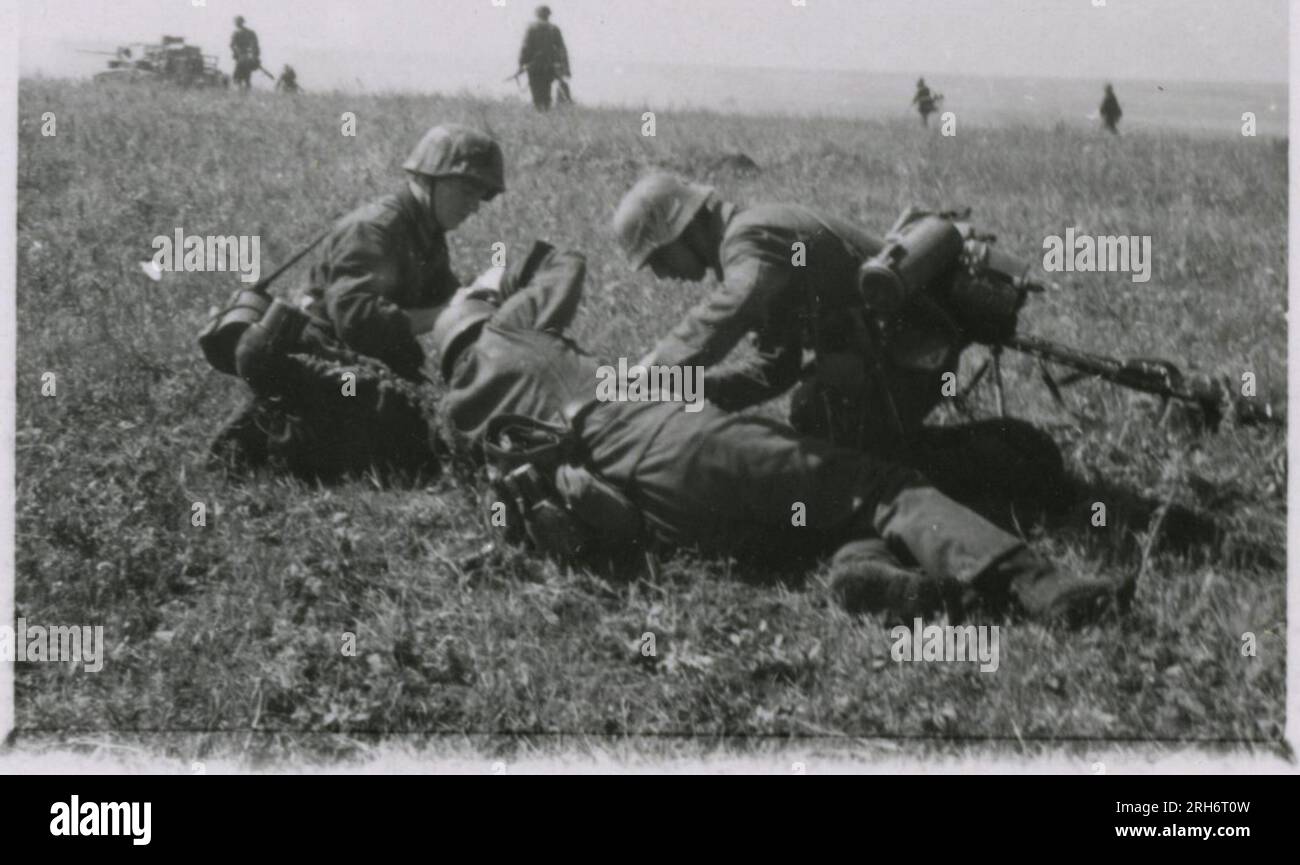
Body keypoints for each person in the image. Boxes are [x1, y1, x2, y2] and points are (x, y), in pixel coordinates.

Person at [428, 244, 1128, 626]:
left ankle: (862, 572)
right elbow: (566, 263)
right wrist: (504, 278)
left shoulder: (458, 410)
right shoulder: (506, 327)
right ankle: (1041, 588)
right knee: (883, 485)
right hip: (668, 440)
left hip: (655, 517)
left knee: (819, 511)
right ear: (483, 317)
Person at [611, 173, 1069, 514]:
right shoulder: (754, 246)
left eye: (658, 257)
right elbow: (775, 367)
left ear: (684, 229)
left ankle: (1017, 461)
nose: (661, 273)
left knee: (859, 467)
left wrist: (653, 370)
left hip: (915, 348)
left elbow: (731, 309)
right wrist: (691, 394)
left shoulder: (751, 238)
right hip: (901, 350)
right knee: (818, 422)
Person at [207, 124, 505, 480]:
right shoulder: (375, 228)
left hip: (358, 357)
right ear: (430, 177)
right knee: (404, 454)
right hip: (310, 358)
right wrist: (450, 312)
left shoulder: (426, 231)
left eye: (483, 195)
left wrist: (484, 300)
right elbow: (359, 321)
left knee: (430, 436)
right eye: (467, 189)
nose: (474, 206)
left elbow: (443, 299)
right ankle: (265, 437)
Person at [517, 5, 569, 111]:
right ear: (548, 15)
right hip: (549, 67)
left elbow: (525, 47)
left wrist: (521, 65)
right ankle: (545, 113)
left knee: (536, 92)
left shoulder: (531, 28)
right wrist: (565, 68)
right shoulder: (554, 29)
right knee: (546, 91)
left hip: (534, 66)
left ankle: (540, 114)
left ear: (537, 14)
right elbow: (562, 49)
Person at [230, 16, 261, 91]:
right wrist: (254, 56)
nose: (236, 24)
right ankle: (245, 90)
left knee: (239, 76)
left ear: (239, 23)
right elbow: (255, 45)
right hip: (247, 57)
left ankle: (241, 91)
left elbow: (232, 45)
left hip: (243, 57)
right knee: (246, 76)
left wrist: (237, 52)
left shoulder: (237, 33)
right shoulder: (250, 32)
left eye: (237, 22)